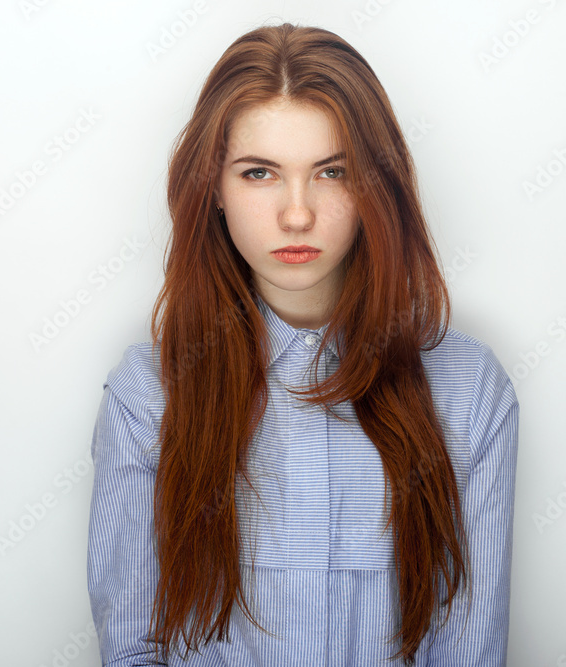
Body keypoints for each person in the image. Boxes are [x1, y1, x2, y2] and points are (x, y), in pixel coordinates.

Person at [87, 21, 519, 667]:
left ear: (379, 185)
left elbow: (467, 649)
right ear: (214, 192)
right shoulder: (149, 393)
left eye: (332, 171)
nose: (297, 213)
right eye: (260, 172)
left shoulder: (467, 389)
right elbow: (134, 648)